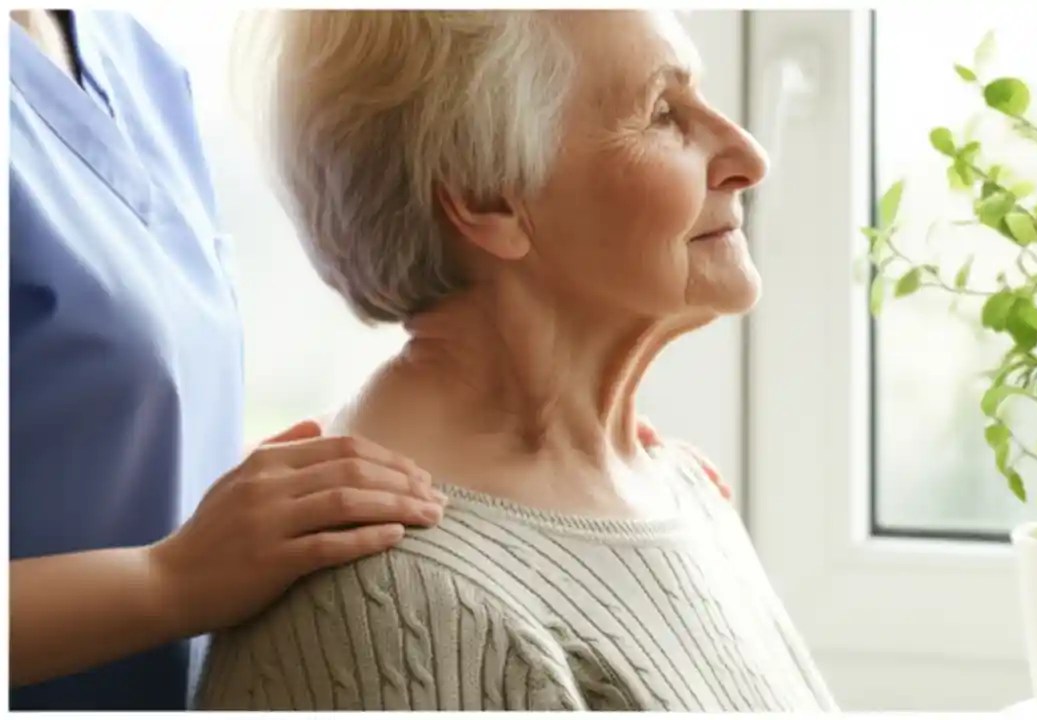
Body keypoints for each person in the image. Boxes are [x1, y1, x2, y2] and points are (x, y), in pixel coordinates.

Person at [7, 9, 720, 710]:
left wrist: (561, 445)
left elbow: (107, 418)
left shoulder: (133, 60)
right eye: (662, 113)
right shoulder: (404, 611)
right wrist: (164, 581)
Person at [196, 9, 836, 712]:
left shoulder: (679, 492)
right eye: (662, 112)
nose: (749, 155)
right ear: (486, 198)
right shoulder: (389, 600)